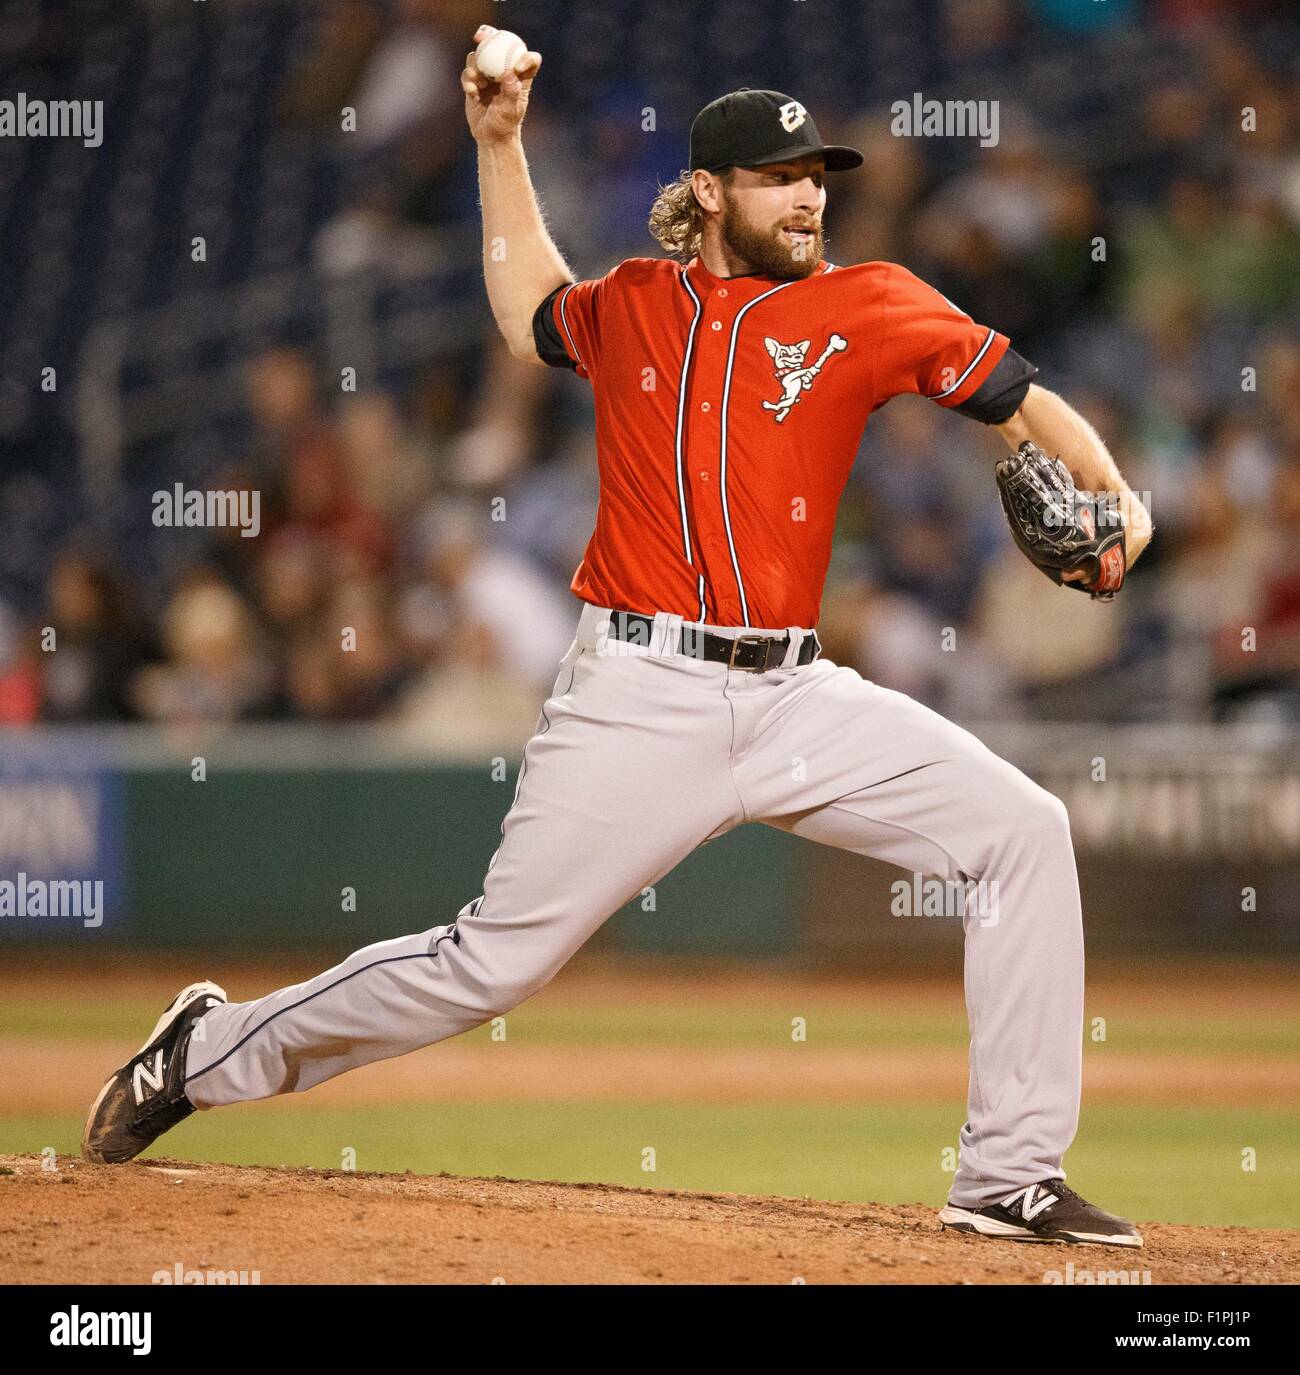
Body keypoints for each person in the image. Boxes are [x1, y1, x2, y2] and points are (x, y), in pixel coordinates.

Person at [84, 25, 1153, 1249]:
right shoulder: (635, 308)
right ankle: (203, 1051)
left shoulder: (871, 305)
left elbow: (1025, 397)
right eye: (779, 176)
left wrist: (1124, 503)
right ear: (709, 191)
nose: (808, 195)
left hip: (800, 697)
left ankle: (1007, 1174)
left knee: (1021, 830)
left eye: (818, 177)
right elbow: (527, 304)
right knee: (488, 967)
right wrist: (498, 143)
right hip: (637, 692)